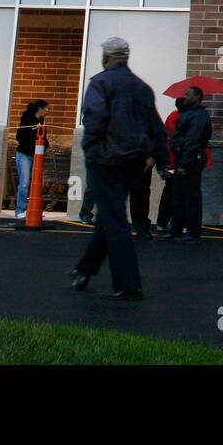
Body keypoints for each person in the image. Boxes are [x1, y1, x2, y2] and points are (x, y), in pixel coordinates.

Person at [70, 38, 165, 299]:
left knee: (114, 220)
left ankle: (128, 284)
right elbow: (156, 126)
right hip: (134, 161)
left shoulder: (100, 83)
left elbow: (95, 118)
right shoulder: (142, 87)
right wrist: (162, 161)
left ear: (107, 57)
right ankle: (83, 270)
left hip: (106, 160)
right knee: (108, 216)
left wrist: (90, 149)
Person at [168, 85, 213, 244]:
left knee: (191, 197)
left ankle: (193, 233)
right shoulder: (188, 114)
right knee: (178, 196)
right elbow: (179, 136)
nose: (185, 97)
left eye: (188, 95)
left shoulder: (199, 116)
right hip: (184, 158)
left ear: (197, 97)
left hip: (191, 160)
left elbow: (193, 141)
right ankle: (176, 230)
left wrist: (184, 163)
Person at [12, 99, 47, 220]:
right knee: (25, 182)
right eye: (46, 108)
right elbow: (20, 136)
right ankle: (20, 209)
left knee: (36, 183)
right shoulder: (27, 119)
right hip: (25, 154)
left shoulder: (41, 121)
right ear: (40, 109)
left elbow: (43, 137)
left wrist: (44, 146)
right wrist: (33, 147)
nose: (47, 111)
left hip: (37, 156)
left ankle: (33, 208)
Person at [155, 96, 184, 233]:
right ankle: (174, 222)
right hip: (176, 162)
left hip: (170, 161)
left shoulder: (172, 116)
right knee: (175, 192)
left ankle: (162, 222)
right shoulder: (180, 118)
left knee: (169, 190)